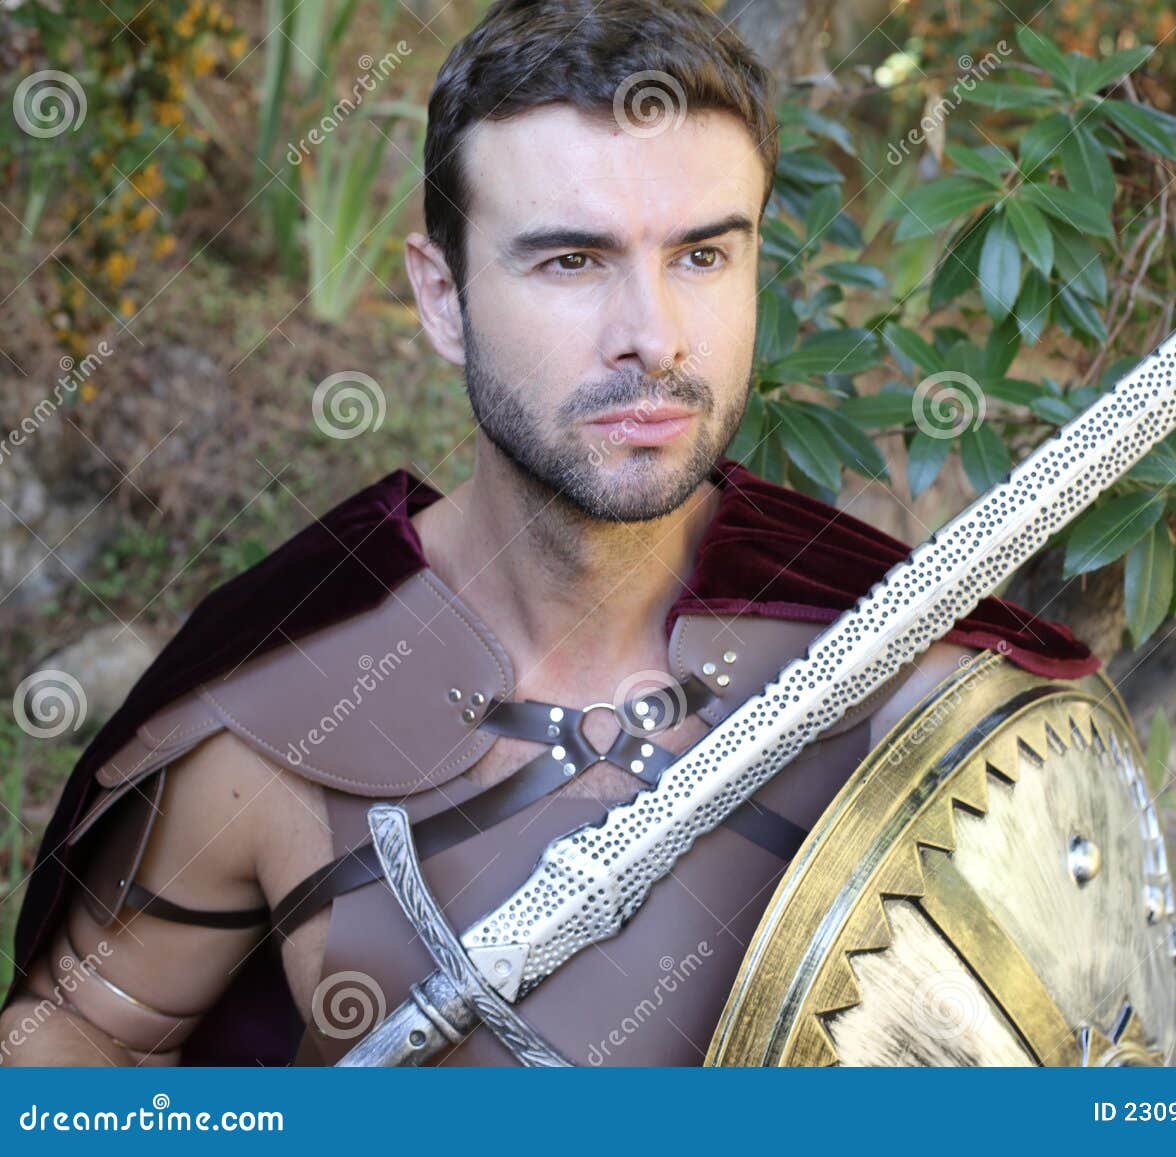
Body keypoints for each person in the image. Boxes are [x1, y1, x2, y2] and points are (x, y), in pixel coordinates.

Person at [0, 0, 1097, 1066]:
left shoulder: (918, 688)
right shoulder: (280, 700)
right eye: (572, 260)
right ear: (442, 298)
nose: (652, 337)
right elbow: (83, 1033)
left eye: (703, 256)